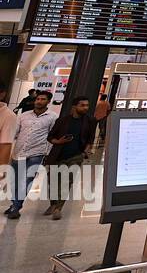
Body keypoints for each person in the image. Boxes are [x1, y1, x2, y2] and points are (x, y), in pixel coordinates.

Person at [4, 91, 56, 219]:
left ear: (48, 101)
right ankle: (14, 204)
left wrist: (47, 153)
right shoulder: (23, 116)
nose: (39, 101)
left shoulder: (52, 117)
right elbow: (14, 133)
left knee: (27, 180)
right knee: (14, 180)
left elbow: (52, 136)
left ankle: (16, 207)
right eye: (38, 99)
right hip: (19, 152)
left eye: (43, 99)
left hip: (36, 153)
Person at [43, 96, 93, 220]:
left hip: (75, 156)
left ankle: (58, 208)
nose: (85, 107)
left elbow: (90, 139)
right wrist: (58, 141)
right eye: (82, 105)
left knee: (66, 182)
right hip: (58, 155)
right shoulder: (62, 121)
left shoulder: (89, 121)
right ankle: (53, 204)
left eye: (87, 105)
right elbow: (50, 137)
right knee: (53, 183)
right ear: (74, 106)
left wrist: (85, 151)